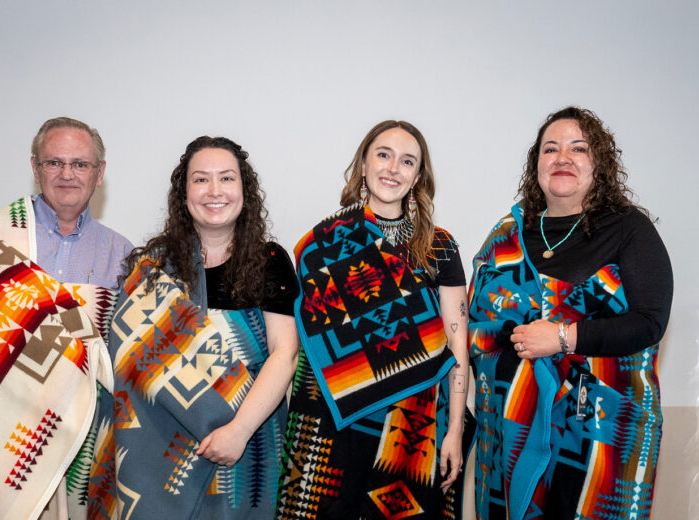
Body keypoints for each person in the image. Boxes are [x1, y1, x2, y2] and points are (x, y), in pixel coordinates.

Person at [0, 117, 133, 520]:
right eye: (54, 163)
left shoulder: (122, 255)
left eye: (80, 164)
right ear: (35, 168)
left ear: (99, 172)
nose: (67, 174)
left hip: (82, 443)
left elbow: (121, 356)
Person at [468, 106, 673, 520]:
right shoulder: (505, 235)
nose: (562, 157)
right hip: (511, 426)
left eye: (578, 148)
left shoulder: (628, 228)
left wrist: (562, 338)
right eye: (550, 149)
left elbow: (649, 322)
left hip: (601, 431)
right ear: (536, 164)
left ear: (599, 163)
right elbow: (477, 325)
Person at [87, 136, 299, 519]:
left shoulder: (270, 261)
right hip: (160, 446)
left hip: (248, 441)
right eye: (201, 179)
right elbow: (126, 363)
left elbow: (284, 355)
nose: (214, 190)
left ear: (245, 190)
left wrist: (238, 431)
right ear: (184, 194)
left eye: (227, 178)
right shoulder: (153, 268)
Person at [276, 121, 474, 519]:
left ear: (418, 176)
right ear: (364, 164)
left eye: (407, 161)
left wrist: (454, 429)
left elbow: (456, 343)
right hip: (333, 418)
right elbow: (310, 343)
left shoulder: (439, 246)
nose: (393, 168)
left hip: (410, 423)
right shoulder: (321, 245)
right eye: (383, 155)